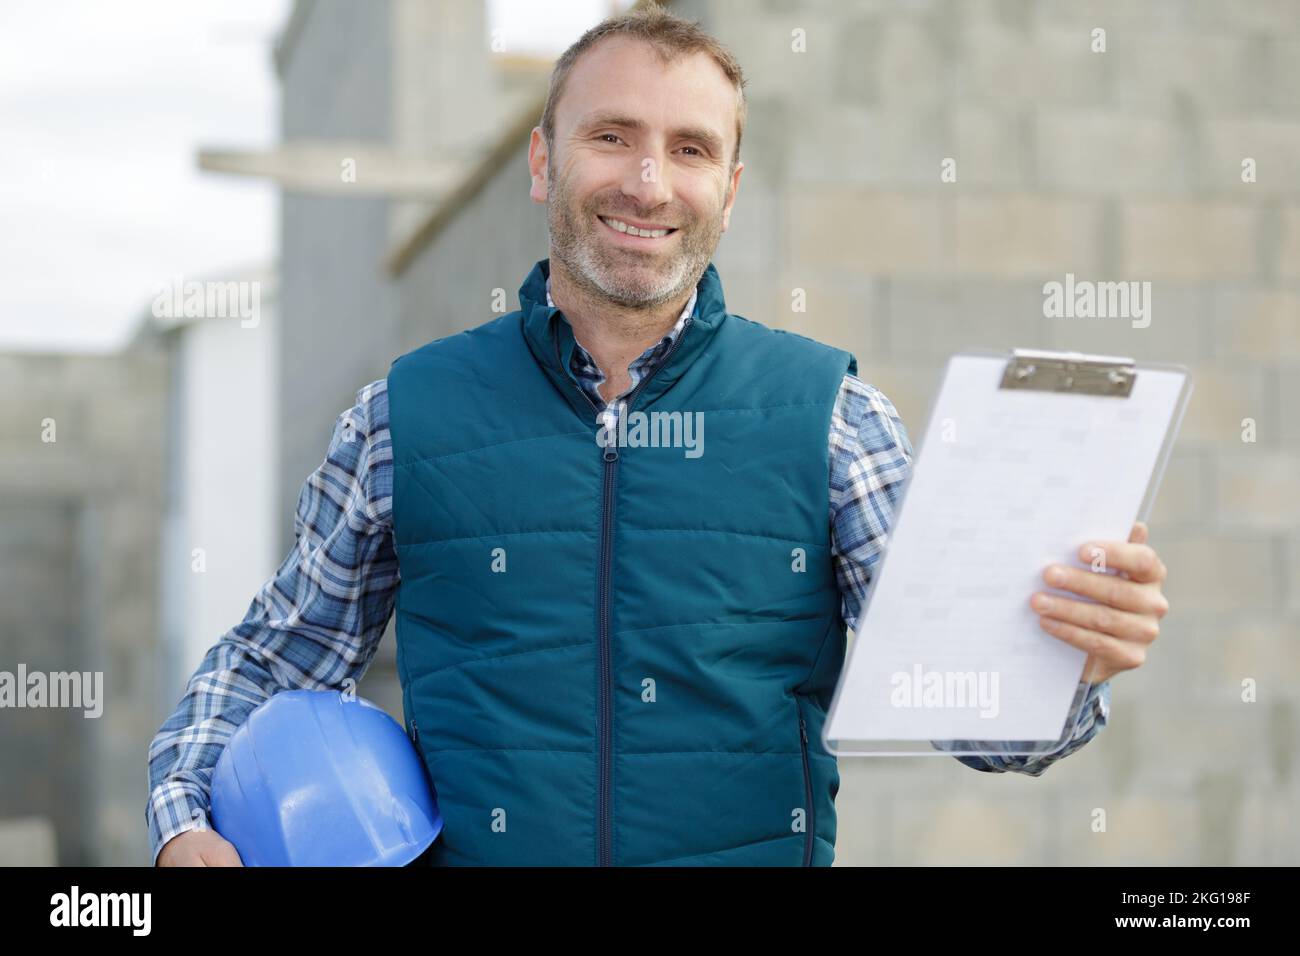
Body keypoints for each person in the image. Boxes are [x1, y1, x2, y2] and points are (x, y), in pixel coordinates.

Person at [148, 7, 1170, 867]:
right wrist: (181, 819)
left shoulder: (830, 417)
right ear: (544, 162)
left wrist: (1068, 662)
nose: (648, 181)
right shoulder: (401, 416)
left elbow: (974, 714)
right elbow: (276, 661)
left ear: (727, 188)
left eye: (691, 149)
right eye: (612, 136)